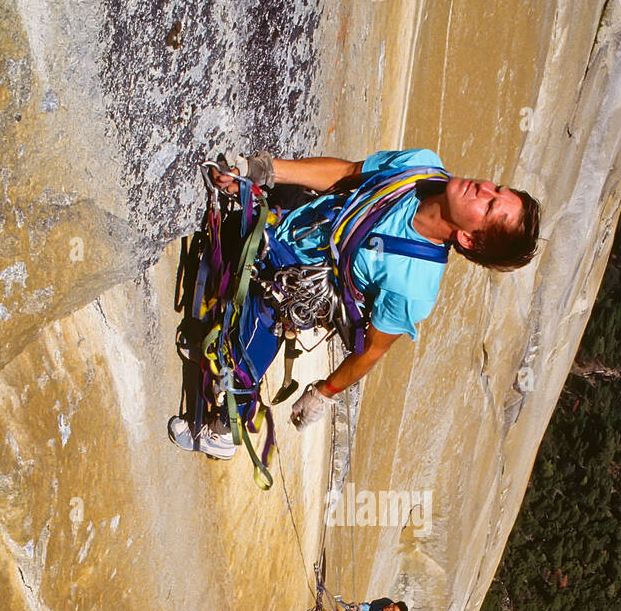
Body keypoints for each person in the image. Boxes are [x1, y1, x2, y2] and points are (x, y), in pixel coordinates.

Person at [206, 147, 540, 434]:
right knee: (237, 233)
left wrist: (324, 393)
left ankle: (222, 431)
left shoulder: (414, 286)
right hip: (299, 222)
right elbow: (348, 174)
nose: (484, 188)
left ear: (467, 239)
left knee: (237, 371)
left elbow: (372, 349)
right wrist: (263, 171)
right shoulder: (420, 168)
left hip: (287, 287)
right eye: (496, 189)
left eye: (489, 206)